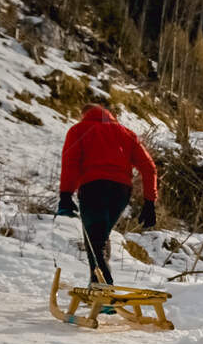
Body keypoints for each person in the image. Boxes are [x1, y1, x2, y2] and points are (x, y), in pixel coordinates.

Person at [57, 105, 158, 286]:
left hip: (93, 188)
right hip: (121, 192)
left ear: (84, 114)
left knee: (95, 240)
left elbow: (70, 163)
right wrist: (149, 202)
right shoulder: (126, 133)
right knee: (101, 237)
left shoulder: (79, 129)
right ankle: (98, 283)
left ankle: (103, 289)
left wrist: (65, 195)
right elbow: (149, 168)